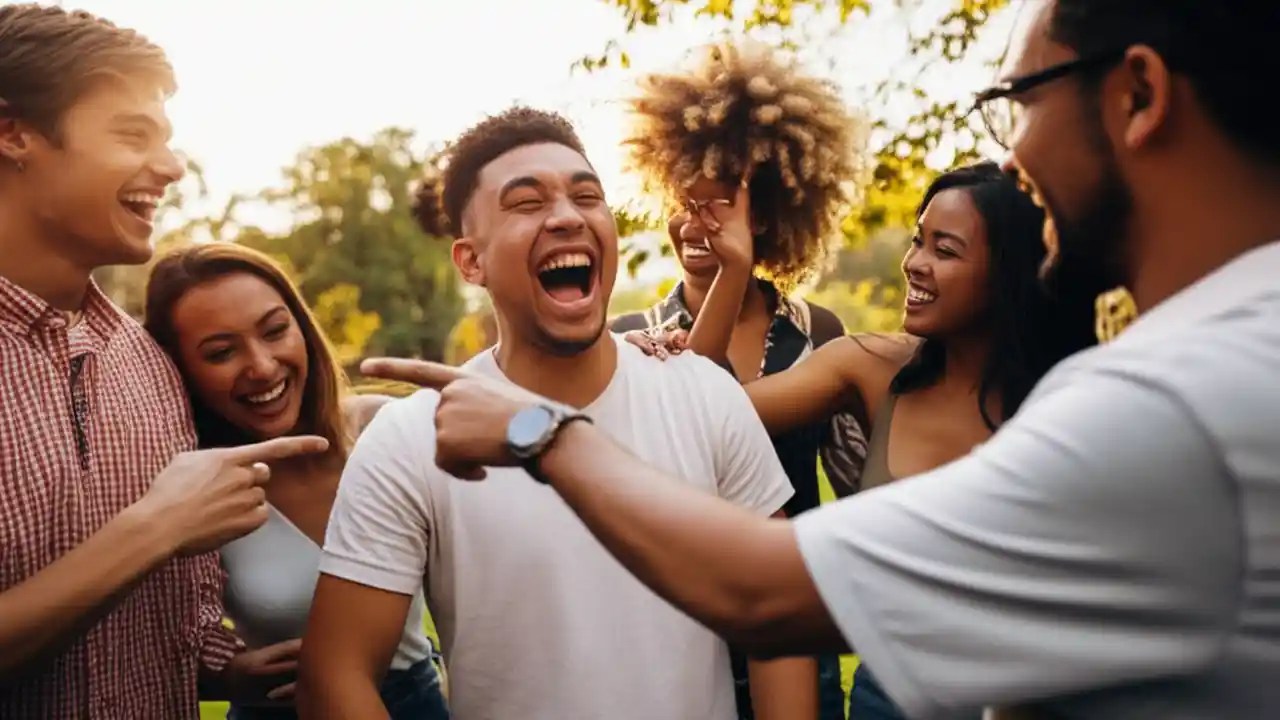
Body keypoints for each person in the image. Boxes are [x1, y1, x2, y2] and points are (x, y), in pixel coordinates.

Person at [360, 1, 1280, 717]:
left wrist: (536, 432)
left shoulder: (1176, 406)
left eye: (1019, 103)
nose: (1012, 157)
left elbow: (763, 592)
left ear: (1140, 97)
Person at [296, 106, 813, 720]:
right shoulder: (411, 437)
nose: (567, 216)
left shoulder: (702, 391)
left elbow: (781, 617)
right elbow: (335, 674)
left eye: (586, 196)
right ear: (471, 261)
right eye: (526, 203)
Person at [630, 160, 1099, 719]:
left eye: (944, 251)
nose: (915, 265)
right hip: (890, 698)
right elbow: (706, 417)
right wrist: (734, 271)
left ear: (1010, 273)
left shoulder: (1074, 398)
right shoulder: (872, 369)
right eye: (918, 241)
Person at [0, 5, 326, 717]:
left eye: (168, 140)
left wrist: (225, 669)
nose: (172, 167)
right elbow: (160, 535)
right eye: (131, 134)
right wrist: (156, 528)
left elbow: (174, 615)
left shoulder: (149, 366)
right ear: (14, 133)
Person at [609, 39, 867, 719]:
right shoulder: (629, 339)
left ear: (769, 217)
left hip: (793, 627)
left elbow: (860, 483)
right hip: (676, 635)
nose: (697, 225)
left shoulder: (821, 334)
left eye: (720, 205)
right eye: (684, 204)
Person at [143, 243, 450, 719]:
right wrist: (226, 676)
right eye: (222, 352)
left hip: (415, 701)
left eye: (275, 330)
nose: (262, 366)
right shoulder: (189, 487)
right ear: (180, 372)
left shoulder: (383, 431)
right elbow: (147, 644)